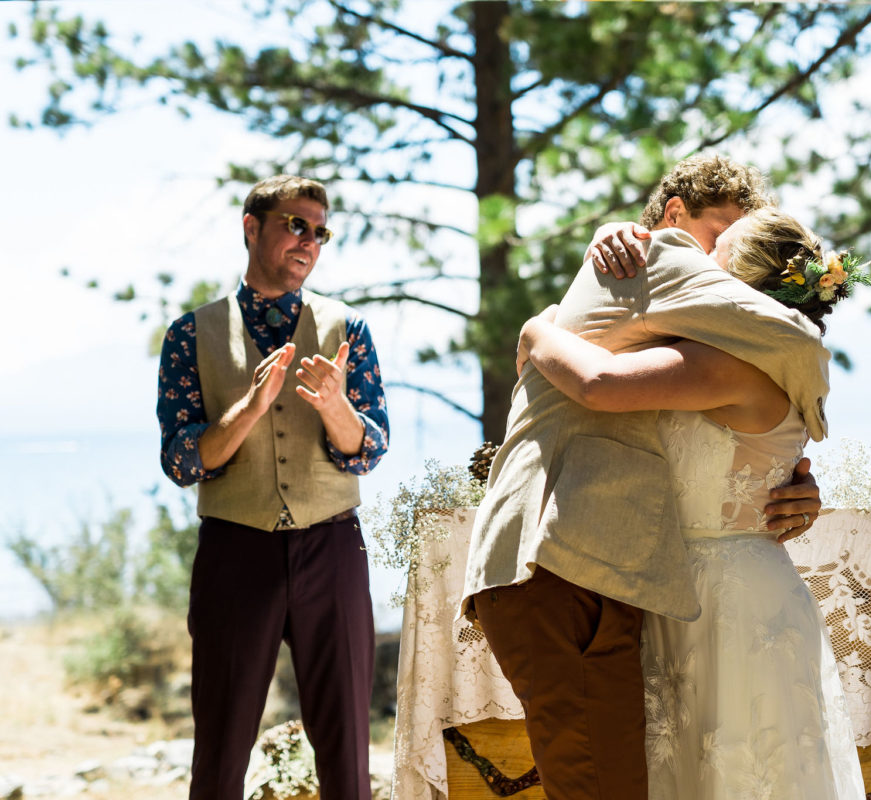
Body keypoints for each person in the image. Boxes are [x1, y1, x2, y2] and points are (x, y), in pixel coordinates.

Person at [461, 155, 829, 799]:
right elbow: (603, 386)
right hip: (592, 570)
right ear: (675, 218)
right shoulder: (649, 289)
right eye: (715, 235)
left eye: (729, 249)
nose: (711, 262)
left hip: (670, 591)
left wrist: (536, 328)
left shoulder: (711, 347)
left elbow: (615, 392)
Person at [156, 175, 389, 800]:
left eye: (320, 232)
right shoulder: (189, 335)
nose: (309, 241)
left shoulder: (349, 328)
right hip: (235, 552)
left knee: (347, 752)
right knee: (221, 749)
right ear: (251, 227)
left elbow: (369, 449)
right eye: (295, 225)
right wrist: (251, 408)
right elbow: (181, 461)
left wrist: (336, 407)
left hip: (333, 549)